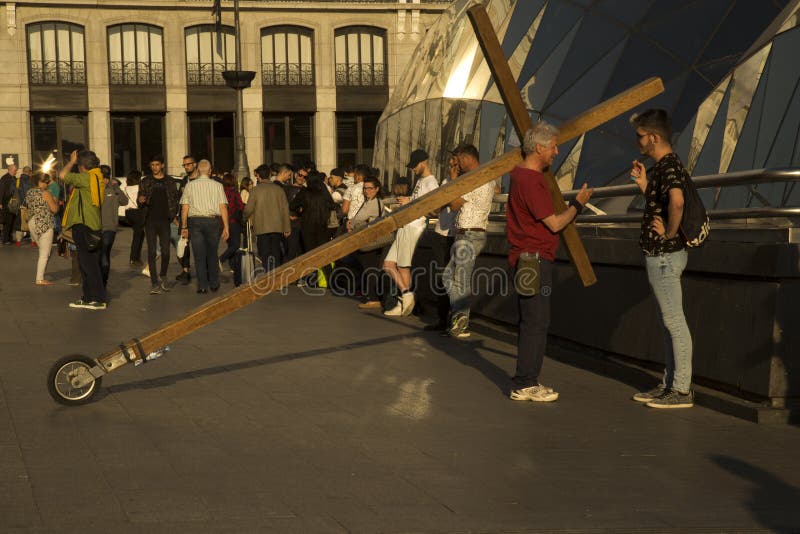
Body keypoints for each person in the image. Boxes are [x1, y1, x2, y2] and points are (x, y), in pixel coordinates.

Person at [507, 122, 593, 403]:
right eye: (553, 147)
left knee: (532, 320)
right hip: (534, 260)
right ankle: (525, 383)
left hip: (524, 259)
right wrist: (578, 204)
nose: (556, 152)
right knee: (536, 321)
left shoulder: (518, 175)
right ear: (539, 148)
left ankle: (526, 379)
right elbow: (555, 223)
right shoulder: (531, 181)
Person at [629, 109, 695, 409]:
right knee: (669, 322)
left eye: (640, 136)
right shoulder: (663, 167)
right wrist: (644, 185)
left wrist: (669, 233)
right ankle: (670, 384)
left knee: (674, 322)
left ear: (654, 137)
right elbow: (663, 202)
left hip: (665, 255)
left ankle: (681, 390)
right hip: (661, 256)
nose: (638, 142)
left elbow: (677, 202)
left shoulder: (668, 166)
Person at [442, 144, 494, 338]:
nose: (457, 164)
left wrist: (453, 178)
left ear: (466, 157)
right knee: (449, 276)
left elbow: (454, 204)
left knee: (460, 280)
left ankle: (462, 319)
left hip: (470, 234)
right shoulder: (483, 177)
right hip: (468, 233)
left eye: (458, 160)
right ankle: (460, 316)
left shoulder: (475, 179)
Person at [383, 149, 439, 317]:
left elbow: (434, 209)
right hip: (406, 225)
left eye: (415, 165)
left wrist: (410, 202)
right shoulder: (421, 181)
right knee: (388, 264)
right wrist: (408, 204)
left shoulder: (431, 183)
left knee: (402, 265)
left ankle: (404, 301)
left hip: (414, 227)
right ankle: (406, 296)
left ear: (424, 163)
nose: (413, 169)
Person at [60, 149, 107, 310]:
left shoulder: (86, 178)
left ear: (82, 166)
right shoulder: (96, 176)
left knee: (89, 265)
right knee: (86, 264)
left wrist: (71, 161)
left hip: (84, 225)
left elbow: (62, 175)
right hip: (91, 225)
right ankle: (88, 298)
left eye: (78, 165)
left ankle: (98, 299)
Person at [179, 160, 229, 294]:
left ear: (198, 170)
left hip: (195, 222)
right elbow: (223, 207)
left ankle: (202, 286)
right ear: (210, 171)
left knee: (199, 255)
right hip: (213, 221)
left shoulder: (190, 186)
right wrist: (226, 227)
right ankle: (214, 283)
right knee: (212, 253)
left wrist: (184, 227)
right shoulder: (218, 186)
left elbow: (185, 208)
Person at [426, 151, 460, 332]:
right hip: (441, 233)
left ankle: (455, 319)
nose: (451, 165)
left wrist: (454, 180)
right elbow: (436, 207)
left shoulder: (467, 180)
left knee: (454, 278)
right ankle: (441, 319)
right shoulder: (446, 181)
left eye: (454, 161)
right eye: (450, 162)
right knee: (441, 277)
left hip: (456, 234)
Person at [139, 154, 180, 295]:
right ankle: (154, 283)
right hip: (150, 221)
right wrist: (141, 200)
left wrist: (173, 216)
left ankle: (163, 275)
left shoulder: (169, 181)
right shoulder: (145, 181)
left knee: (166, 252)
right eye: (152, 165)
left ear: (162, 165)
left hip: (165, 221)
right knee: (151, 252)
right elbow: (140, 198)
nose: (155, 167)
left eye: (157, 164)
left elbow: (175, 199)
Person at [290, 172, 336, 285]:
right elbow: (332, 205)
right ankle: (331, 280)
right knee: (324, 255)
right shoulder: (323, 193)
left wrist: (300, 211)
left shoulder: (304, 192)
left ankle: (312, 281)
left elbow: (292, 206)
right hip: (323, 227)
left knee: (310, 255)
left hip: (307, 227)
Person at [243, 163, 291, 273]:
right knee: (276, 253)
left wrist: (244, 218)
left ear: (259, 176)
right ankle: (277, 276)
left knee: (264, 254)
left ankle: (268, 276)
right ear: (269, 175)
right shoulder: (278, 189)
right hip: (277, 227)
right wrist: (287, 227)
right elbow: (285, 209)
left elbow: (248, 208)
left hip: (261, 228)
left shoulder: (255, 190)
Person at [351, 176, 387, 309]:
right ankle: (371, 296)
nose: (367, 191)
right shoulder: (369, 201)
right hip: (367, 239)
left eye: (370, 188)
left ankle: (374, 298)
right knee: (369, 268)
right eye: (365, 188)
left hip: (370, 241)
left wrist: (351, 223)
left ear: (377, 189)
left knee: (371, 268)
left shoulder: (374, 203)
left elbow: (359, 219)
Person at [23, 172, 59, 285]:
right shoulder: (45, 193)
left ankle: (41, 273)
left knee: (44, 250)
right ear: (40, 182)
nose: (47, 184)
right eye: (46, 182)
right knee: (44, 253)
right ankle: (40, 278)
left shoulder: (29, 192)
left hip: (32, 222)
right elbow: (54, 209)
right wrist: (55, 201)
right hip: (44, 222)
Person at [99, 167, 129, 287]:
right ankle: (98, 279)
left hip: (109, 228)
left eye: (105, 177)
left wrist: (116, 187)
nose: (104, 179)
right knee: (97, 255)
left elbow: (124, 201)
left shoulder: (114, 189)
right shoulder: (94, 189)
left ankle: (103, 281)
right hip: (95, 227)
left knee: (104, 253)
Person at [175, 154, 199, 284]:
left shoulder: (202, 179)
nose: (186, 167)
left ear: (195, 164)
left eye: (188, 164)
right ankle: (185, 271)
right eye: (184, 165)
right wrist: (176, 217)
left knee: (199, 245)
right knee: (183, 245)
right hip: (185, 217)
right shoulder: (184, 180)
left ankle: (204, 271)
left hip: (198, 217)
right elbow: (179, 199)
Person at [219, 172, 245, 287]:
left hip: (223, 222)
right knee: (235, 245)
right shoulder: (234, 193)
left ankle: (234, 268)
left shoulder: (221, 193)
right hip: (234, 222)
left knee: (231, 246)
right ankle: (221, 259)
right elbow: (240, 207)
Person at [273, 163, 302, 262]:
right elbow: (280, 206)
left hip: (278, 223)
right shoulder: (279, 187)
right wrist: (288, 216)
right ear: (284, 173)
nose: (289, 178)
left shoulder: (274, 185)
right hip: (284, 223)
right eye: (289, 175)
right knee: (289, 251)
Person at [0, 162, 19, 245]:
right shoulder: (4, 178)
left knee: (12, 221)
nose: (16, 172)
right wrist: (0, 203)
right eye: (15, 170)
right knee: (7, 221)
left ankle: (10, 238)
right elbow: (1, 191)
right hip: (6, 203)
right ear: (10, 170)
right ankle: (5, 239)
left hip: (13, 203)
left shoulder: (14, 178)